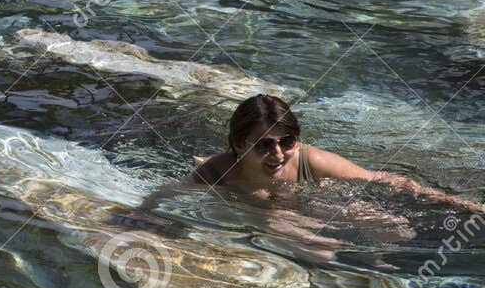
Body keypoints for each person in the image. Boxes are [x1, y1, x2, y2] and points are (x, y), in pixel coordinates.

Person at [192, 95, 483, 210]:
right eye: (264, 144)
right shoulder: (215, 173)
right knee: (311, 242)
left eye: (287, 141)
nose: (278, 154)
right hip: (271, 211)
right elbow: (171, 197)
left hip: (308, 198)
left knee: (392, 228)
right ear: (240, 143)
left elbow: (380, 179)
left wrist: (456, 201)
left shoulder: (311, 161)